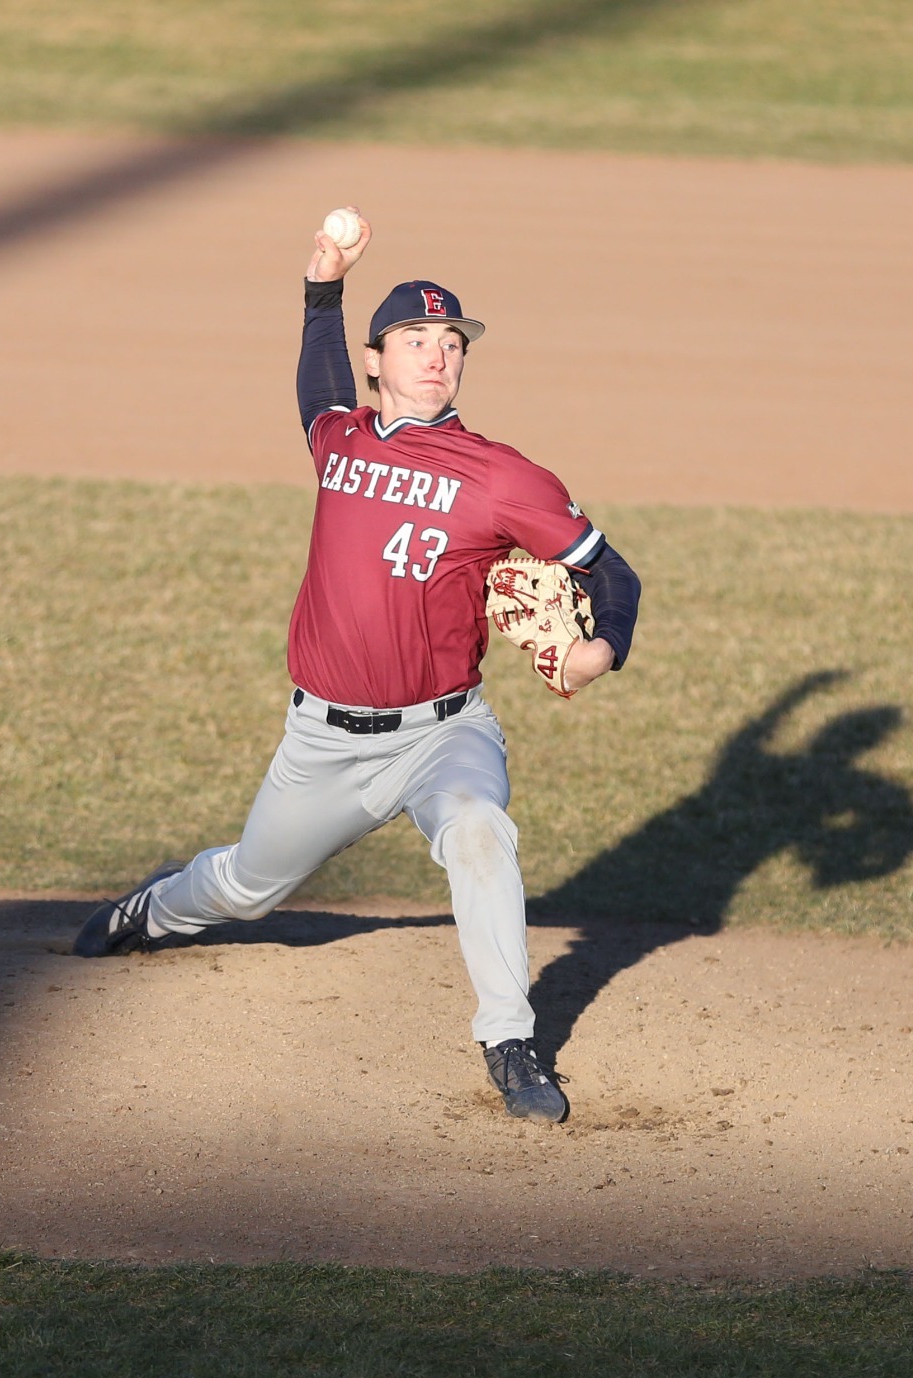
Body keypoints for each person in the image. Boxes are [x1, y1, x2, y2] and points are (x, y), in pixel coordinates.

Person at [74, 209, 640, 1123]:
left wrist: (601, 647)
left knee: (478, 831)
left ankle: (509, 1038)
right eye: (413, 338)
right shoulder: (338, 439)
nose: (436, 354)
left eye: (450, 341)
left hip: (446, 731)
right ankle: (152, 912)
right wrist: (323, 285)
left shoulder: (502, 476)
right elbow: (315, 381)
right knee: (248, 884)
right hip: (322, 739)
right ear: (377, 359)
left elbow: (609, 567)